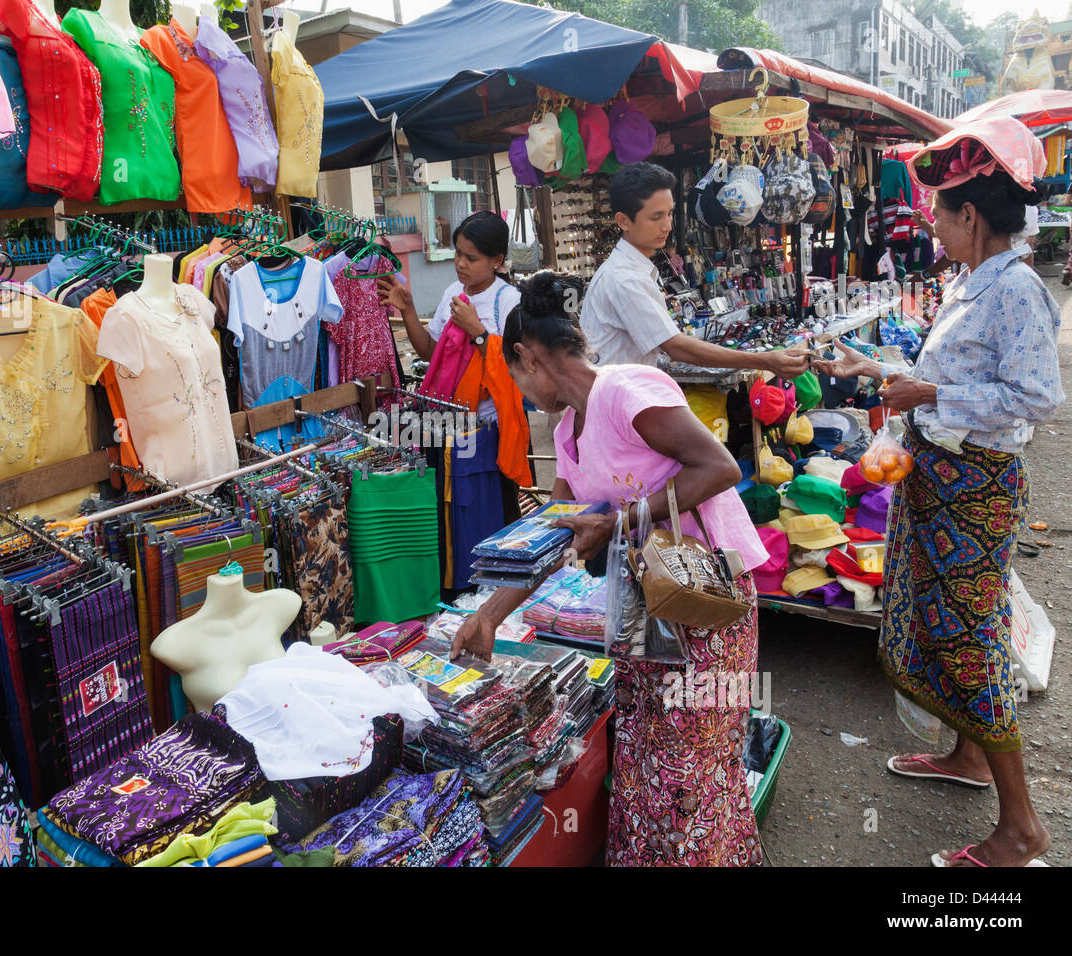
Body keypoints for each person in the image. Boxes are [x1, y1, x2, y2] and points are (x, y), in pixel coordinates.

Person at [450, 270, 769, 866]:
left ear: (526, 356)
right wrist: (489, 614)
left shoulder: (628, 392)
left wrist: (620, 522)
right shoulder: (568, 428)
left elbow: (719, 467)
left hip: (703, 601)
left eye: (513, 377)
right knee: (646, 757)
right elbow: (554, 535)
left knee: (691, 767)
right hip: (642, 613)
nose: (518, 392)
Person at [816, 119, 1064, 867]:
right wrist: (879, 370)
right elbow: (953, 373)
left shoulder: (1016, 289)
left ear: (972, 217)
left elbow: (1035, 396)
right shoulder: (970, 282)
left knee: (968, 637)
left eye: (939, 214)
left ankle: (1022, 827)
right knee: (948, 620)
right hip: (937, 474)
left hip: (976, 485)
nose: (931, 225)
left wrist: (932, 393)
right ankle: (970, 756)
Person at [580, 162, 810, 378]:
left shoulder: (630, 270)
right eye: (656, 217)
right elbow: (677, 347)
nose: (667, 226)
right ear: (623, 221)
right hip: (615, 405)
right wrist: (763, 360)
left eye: (669, 213)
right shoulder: (624, 278)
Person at [376, 210, 520, 423]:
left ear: (496, 260)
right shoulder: (453, 291)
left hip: (492, 423)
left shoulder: (509, 300)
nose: (460, 263)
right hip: (449, 419)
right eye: (458, 253)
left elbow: (516, 367)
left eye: (471, 258)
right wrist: (408, 309)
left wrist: (477, 331)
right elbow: (429, 353)